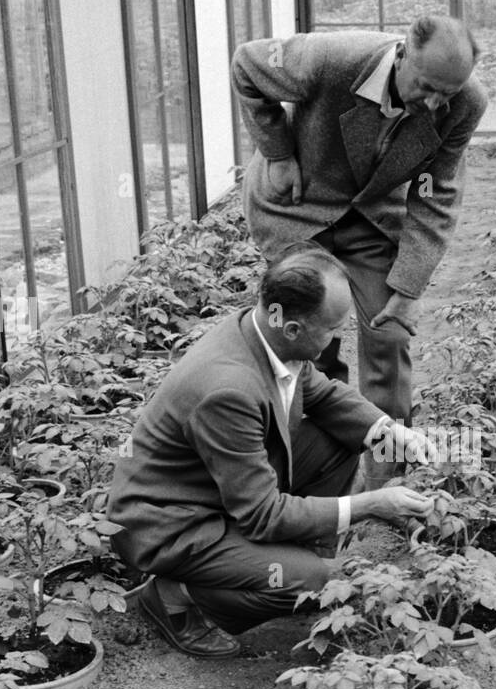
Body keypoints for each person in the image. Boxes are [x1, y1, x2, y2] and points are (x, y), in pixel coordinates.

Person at [108, 245, 435, 659]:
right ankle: (175, 596)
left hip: (221, 491)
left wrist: (387, 431)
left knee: (342, 438)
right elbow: (262, 514)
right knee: (317, 584)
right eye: (333, 328)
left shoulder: (263, 332)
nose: (339, 337)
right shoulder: (227, 389)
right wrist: (370, 504)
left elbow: (320, 393)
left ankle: (287, 560)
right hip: (175, 527)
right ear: (294, 328)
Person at [231, 15, 488, 484]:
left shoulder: (465, 104)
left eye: (446, 95)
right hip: (298, 209)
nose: (434, 103)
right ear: (404, 51)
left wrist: (408, 287)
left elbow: (436, 194)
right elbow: (248, 64)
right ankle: (311, 464)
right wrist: (278, 152)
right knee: (310, 343)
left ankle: (388, 477)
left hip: (371, 217)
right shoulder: (330, 60)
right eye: (427, 86)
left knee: (389, 336)